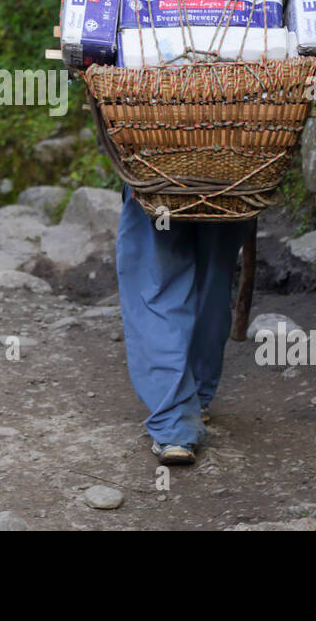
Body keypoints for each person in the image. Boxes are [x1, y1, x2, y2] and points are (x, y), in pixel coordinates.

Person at [115, 186, 252, 465]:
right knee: (214, 273)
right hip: (237, 171)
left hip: (158, 165)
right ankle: (198, 394)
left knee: (157, 281)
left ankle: (175, 422)